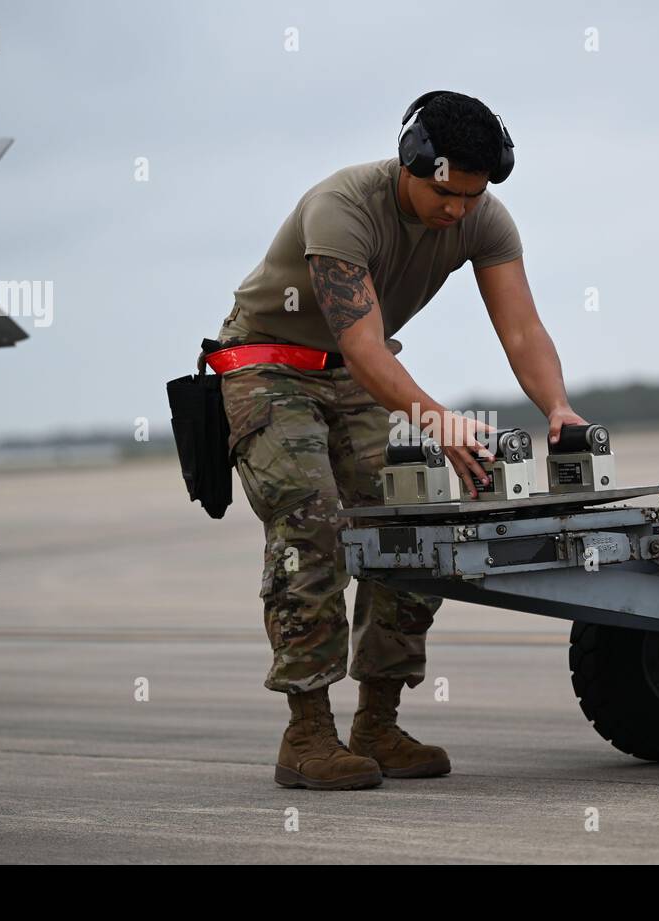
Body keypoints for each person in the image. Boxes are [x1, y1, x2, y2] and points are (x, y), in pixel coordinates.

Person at [214, 90, 587, 790]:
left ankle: (377, 723)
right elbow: (361, 345)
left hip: (358, 379)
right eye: (446, 194)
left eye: (472, 198)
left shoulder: (483, 220)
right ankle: (308, 734)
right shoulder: (341, 207)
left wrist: (557, 406)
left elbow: (522, 330)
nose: (457, 212)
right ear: (411, 161)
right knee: (313, 525)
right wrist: (438, 421)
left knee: (416, 520)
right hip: (269, 367)